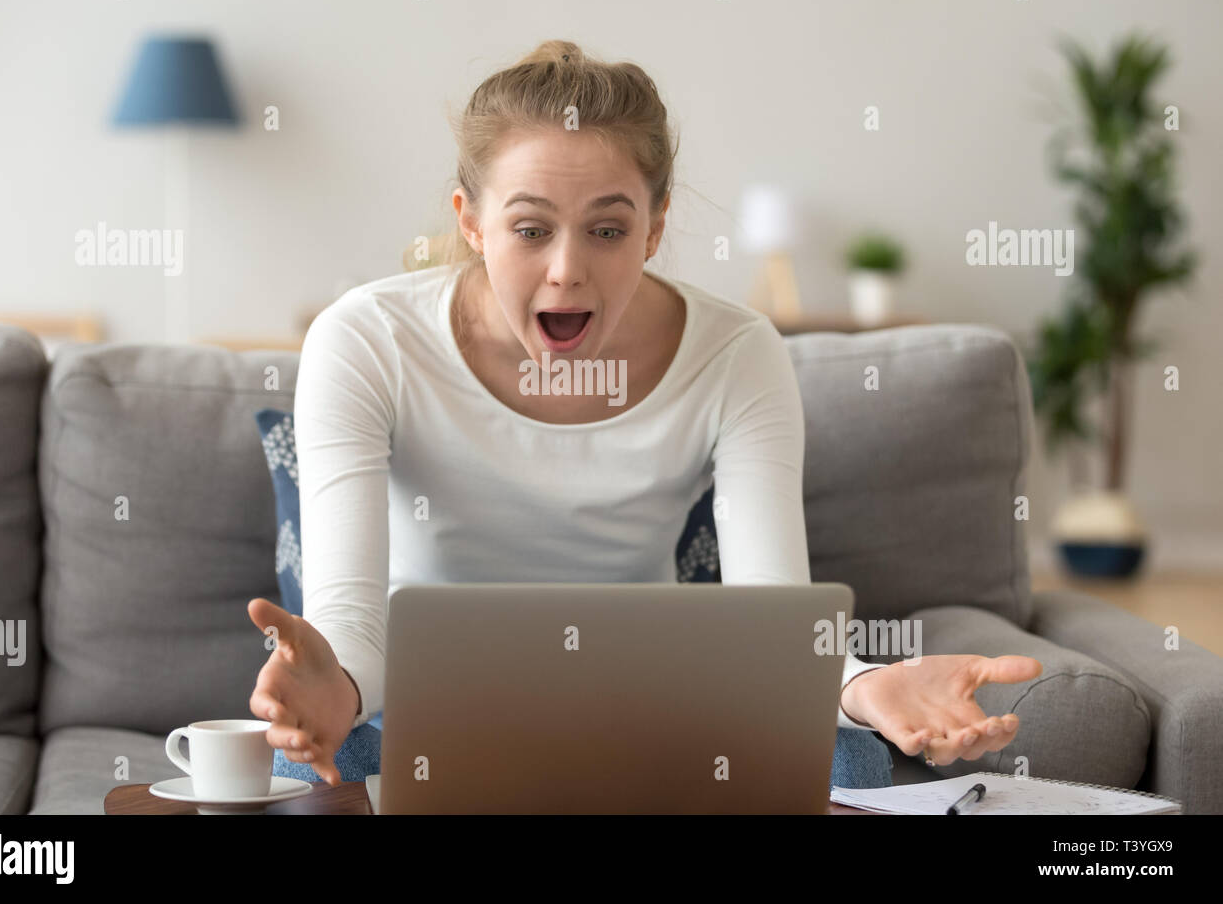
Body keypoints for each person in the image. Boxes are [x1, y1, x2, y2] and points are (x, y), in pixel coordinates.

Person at [247, 40, 1043, 794]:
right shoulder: (365, 340)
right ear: (470, 221)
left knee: (850, 761)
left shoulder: (737, 354)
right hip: (424, 722)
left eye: (607, 229)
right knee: (314, 760)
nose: (566, 270)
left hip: (651, 722)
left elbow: (775, 626)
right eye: (529, 229)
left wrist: (868, 686)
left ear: (654, 228)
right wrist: (334, 693)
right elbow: (350, 622)